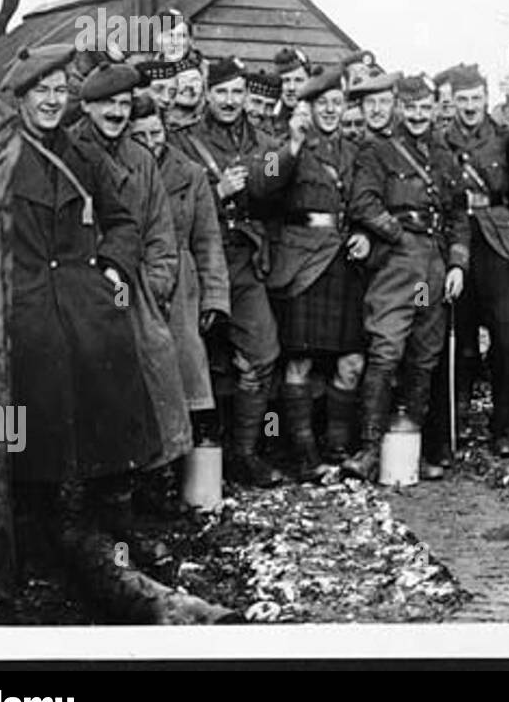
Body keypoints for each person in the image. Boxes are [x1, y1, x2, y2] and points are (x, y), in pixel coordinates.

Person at [0, 44, 160, 540]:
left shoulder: (84, 156)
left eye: (57, 90)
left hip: (85, 297)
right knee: (32, 410)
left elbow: (122, 223)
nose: (50, 100)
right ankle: (37, 525)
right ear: (22, 98)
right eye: (40, 91)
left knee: (112, 394)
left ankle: (113, 519)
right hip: (23, 299)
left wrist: (112, 270)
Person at [168, 56, 307, 487]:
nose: (229, 101)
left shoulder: (263, 140)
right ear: (207, 94)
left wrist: (292, 149)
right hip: (198, 260)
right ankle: (182, 463)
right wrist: (217, 190)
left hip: (243, 261)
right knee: (191, 361)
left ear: (247, 97)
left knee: (263, 352)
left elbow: (267, 183)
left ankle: (245, 453)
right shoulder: (185, 141)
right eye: (221, 92)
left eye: (236, 93)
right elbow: (174, 195)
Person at [73, 62, 192, 487]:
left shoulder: (140, 158)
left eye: (124, 104)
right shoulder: (71, 152)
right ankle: (105, 496)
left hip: (135, 287)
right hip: (87, 287)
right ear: (87, 107)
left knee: (156, 371)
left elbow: (161, 229)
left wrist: (157, 283)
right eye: (108, 103)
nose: (118, 112)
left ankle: (151, 485)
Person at [347, 74, 469, 481]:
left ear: (436, 108)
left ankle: (409, 446)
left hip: (434, 265)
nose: (418, 116)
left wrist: (457, 264)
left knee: (425, 353)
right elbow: (363, 202)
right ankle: (368, 449)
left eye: (425, 108)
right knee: (386, 348)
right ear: (400, 107)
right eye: (411, 108)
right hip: (398, 264)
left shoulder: (445, 155)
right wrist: (399, 236)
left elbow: (458, 215)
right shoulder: (377, 150)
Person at [265, 66, 371, 480]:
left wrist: (364, 232)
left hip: (344, 262)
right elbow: (262, 187)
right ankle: (305, 455)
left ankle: (338, 446)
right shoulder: (287, 145)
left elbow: (365, 200)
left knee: (351, 361)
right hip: (303, 263)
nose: (330, 111)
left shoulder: (355, 150)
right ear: (306, 107)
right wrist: (292, 144)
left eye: (336, 103)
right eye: (321, 104)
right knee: (300, 362)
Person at [427, 63, 509, 460]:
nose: (470, 106)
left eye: (476, 98)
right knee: (460, 337)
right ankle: (456, 418)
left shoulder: (505, 138)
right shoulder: (439, 142)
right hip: (455, 241)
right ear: (453, 102)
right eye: (462, 99)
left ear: (487, 99)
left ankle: (502, 426)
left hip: (498, 241)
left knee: (506, 338)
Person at [129, 96, 230, 460]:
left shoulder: (190, 173)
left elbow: (208, 239)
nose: (150, 142)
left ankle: (185, 475)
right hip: (139, 281)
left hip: (183, 285)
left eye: (155, 132)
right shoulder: (120, 171)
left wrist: (215, 297)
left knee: (187, 377)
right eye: (139, 136)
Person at [166, 56, 205, 134]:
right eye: (182, 80)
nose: (189, 86)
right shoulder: (157, 125)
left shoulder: (207, 126)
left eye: (195, 80)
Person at [244, 68, 285, 136]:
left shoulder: (277, 137)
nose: (261, 111)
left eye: (269, 106)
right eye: (257, 102)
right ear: (243, 99)